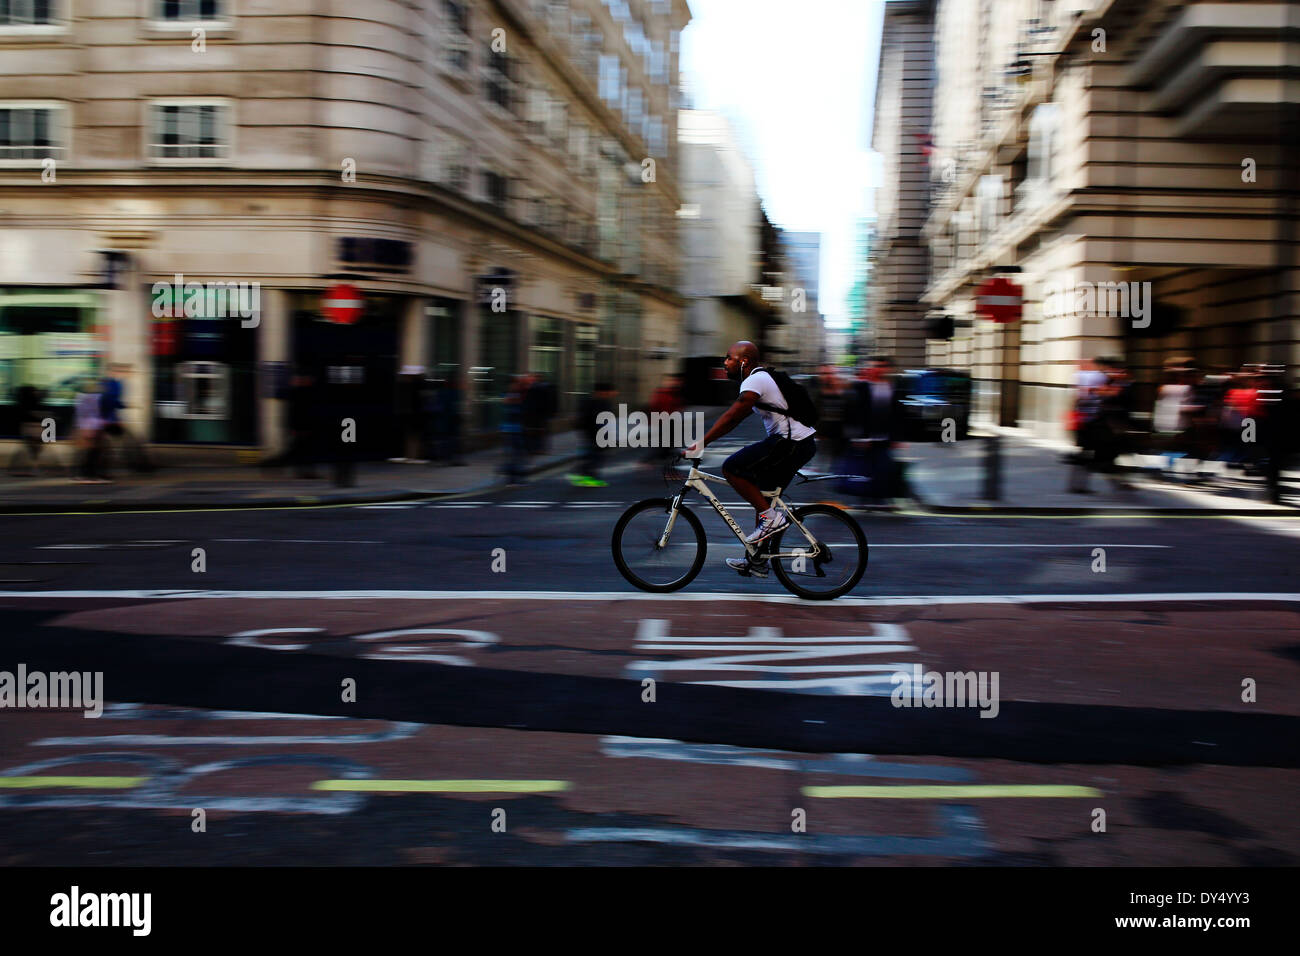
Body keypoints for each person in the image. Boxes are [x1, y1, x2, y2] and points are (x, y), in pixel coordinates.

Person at [684, 341, 817, 578]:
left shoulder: (755, 380)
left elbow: (733, 416)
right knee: (763, 497)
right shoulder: (759, 379)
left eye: (729, 358)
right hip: (796, 443)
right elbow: (736, 418)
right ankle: (757, 560)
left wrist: (701, 443)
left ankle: (771, 521)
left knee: (732, 467)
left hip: (790, 443)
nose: (725, 363)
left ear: (744, 361)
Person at [844, 356, 906, 503]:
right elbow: (852, 413)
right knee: (863, 470)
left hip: (884, 438)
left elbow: (898, 415)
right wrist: (858, 437)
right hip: (865, 439)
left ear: (888, 369)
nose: (878, 369)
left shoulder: (893, 387)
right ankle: (864, 499)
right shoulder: (860, 388)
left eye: (882, 366)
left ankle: (879, 499)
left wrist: (898, 437)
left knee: (883, 469)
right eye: (875, 366)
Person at [572, 382, 616, 486]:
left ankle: (583, 475)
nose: (612, 393)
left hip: (590, 432)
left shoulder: (589, 401)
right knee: (595, 456)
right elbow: (598, 420)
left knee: (591, 455)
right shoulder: (600, 402)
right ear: (602, 392)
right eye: (609, 392)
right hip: (595, 433)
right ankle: (589, 477)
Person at [73, 377, 109, 483]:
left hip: (92, 427)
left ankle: (89, 475)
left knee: (92, 452)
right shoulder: (88, 398)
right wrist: (86, 429)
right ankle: (87, 475)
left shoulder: (86, 397)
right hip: (89, 427)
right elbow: (85, 414)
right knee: (91, 452)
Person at [8, 384, 47, 476]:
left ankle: (29, 467)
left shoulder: (22, 402)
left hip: (28, 428)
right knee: (34, 450)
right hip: (36, 428)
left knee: (30, 449)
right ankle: (33, 467)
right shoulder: (35, 402)